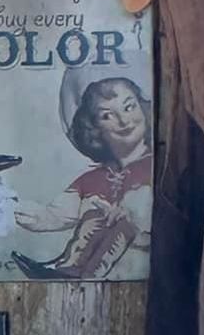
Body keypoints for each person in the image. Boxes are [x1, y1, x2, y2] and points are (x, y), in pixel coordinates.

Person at [12, 75, 153, 280]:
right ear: (93, 128)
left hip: (139, 277)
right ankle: (68, 268)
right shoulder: (91, 180)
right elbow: (54, 215)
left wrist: (132, 215)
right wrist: (11, 206)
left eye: (129, 107)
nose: (124, 121)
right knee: (95, 217)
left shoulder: (156, 165)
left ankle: (84, 272)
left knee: (121, 223)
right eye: (107, 116)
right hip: (88, 293)